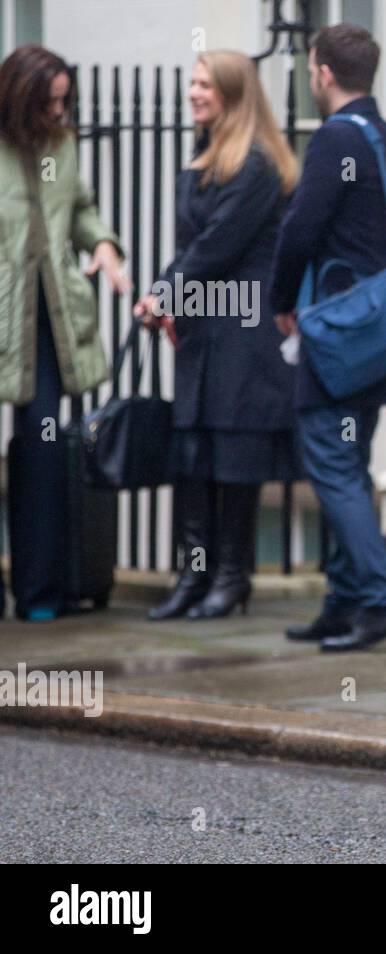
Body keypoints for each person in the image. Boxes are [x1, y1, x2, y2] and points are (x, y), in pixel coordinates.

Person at [134, 50, 299, 620]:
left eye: (204, 84)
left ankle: (232, 578)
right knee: (194, 455)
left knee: (236, 457)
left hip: (244, 334)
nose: (193, 92)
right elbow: (190, 252)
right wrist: (164, 295)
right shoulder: (203, 159)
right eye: (193, 81)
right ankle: (193, 577)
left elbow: (217, 246)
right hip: (203, 328)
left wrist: (162, 295)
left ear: (231, 93)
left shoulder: (255, 166)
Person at [270, 23, 386, 652]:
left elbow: (300, 229)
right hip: (377, 332)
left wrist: (280, 301)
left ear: (323, 73)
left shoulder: (334, 139)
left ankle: (385, 602)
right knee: (350, 462)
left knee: (330, 462)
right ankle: (346, 598)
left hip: (337, 329)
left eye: (311, 70)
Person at [0, 44, 130, 621]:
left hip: (47, 324)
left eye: (64, 101)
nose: (59, 112)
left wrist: (101, 243)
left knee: (45, 449)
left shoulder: (63, 146)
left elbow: (79, 207)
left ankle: (40, 591)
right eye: (50, 103)